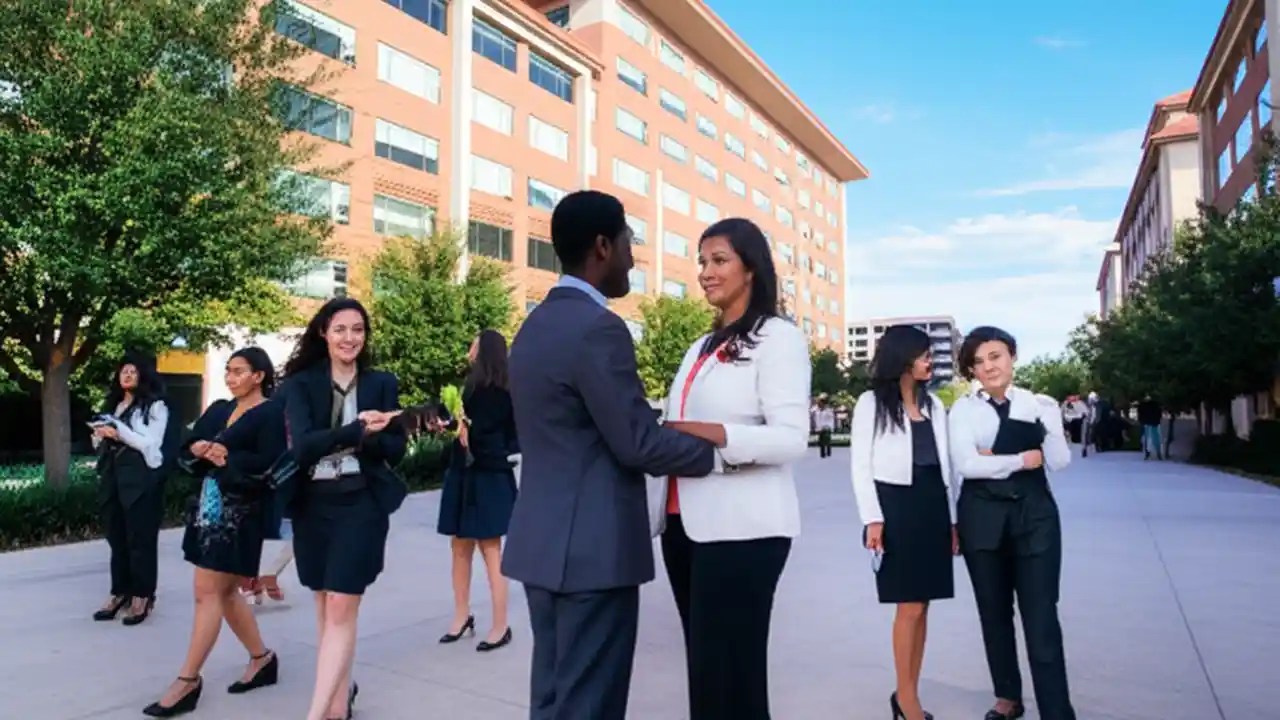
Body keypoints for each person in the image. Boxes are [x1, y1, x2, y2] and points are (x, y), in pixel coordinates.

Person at [502, 190, 716, 720]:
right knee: (590, 705)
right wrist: (719, 451)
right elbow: (637, 441)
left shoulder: (531, 328)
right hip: (593, 556)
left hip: (541, 546)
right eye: (628, 243)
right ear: (602, 246)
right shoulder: (599, 328)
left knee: (552, 700)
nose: (632, 257)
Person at [646, 218, 809, 720]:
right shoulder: (701, 345)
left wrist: (716, 433)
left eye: (718, 260)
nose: (705, 273)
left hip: (744, 530)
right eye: (701, 262)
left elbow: (790, 439)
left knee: (732, 675)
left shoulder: (777, 338)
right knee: (706, 672)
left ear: (751, 268)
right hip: (684, 524)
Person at [282, 297, 408, 720]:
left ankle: (318, 714)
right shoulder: (301, 385)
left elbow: (396, 448)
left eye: (358, 329)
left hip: (362, 501)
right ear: (324, 332)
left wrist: (375, 436)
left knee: (340, 604)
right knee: (324, 602)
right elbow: (303, 446)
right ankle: (340, 696)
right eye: (340, 329)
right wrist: (357, 429)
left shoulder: (381, 383)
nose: (349, 338)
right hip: (314, 503)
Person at [143, 347, 286, 717]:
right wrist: (200, 446)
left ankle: (188, 680)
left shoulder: (270, 412)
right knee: (223, 593)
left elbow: (271, 462)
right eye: (228, 370)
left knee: (207, 591)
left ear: (259, 376)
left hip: (242, 514)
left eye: (239, 371)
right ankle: (262, 659)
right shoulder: (221, 408)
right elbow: (187, 441)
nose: (231, 377)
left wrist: (227, 458)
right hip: (210, 508)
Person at [948, 326, 1075, 720]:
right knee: (994, 613)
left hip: (1034, 518)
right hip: (981, 520)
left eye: (996, 356)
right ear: (971, 369)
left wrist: (1047, 424)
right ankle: (1007, 697)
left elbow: (1058, 461)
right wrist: (1021, 458)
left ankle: (1056, 711)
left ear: (1012, 356)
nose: (989, 367)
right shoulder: (962, 410)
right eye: (979, 361)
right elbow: (967, 464)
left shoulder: (1037, 404)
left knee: (1041, 619)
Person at [850, 325, 956, 720]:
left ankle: (907, 691)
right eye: (925, 354)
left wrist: (953, 520)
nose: (931, 360)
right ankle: (906, 700)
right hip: (895, 506)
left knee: (923, 605)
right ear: (904, 357)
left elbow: (948, 468)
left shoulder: (935, 406)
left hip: (932, 505)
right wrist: (872, 519)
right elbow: (861, 467)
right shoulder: (871, 404)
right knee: (908, 606)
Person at [437, 329, 519, 652]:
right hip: (465, 473)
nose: (469, 348)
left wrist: (468, 432)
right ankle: (461, 615)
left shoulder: (501, 391)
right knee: (459, 546)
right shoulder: (471, 385)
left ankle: (500, 625)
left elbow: (503, 437)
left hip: (487, 475)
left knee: (490, 550)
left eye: (474, 342)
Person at [92, 352, 171, 627]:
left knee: (141, 539)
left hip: (140, 478)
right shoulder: (113, 406)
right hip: (112, 476)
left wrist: (119, 432)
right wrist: (100, 434)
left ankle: (143, 595)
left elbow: (151, 443)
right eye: (123, 371)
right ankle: (120, 592)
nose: (126, 376)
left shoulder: (154, 407)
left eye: (133, 371)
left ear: (143, 375)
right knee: (116, 537)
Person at [1137, 395, 1163, 460]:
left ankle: (1148, 453)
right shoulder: (1155, 405)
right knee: (1155, 439)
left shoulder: (1142, 405)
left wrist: (1141, 421)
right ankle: (1157, 453)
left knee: (1148, 439)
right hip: (1154, 423)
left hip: (1148, 423)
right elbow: (1159, 413)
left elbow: (1140, 414)